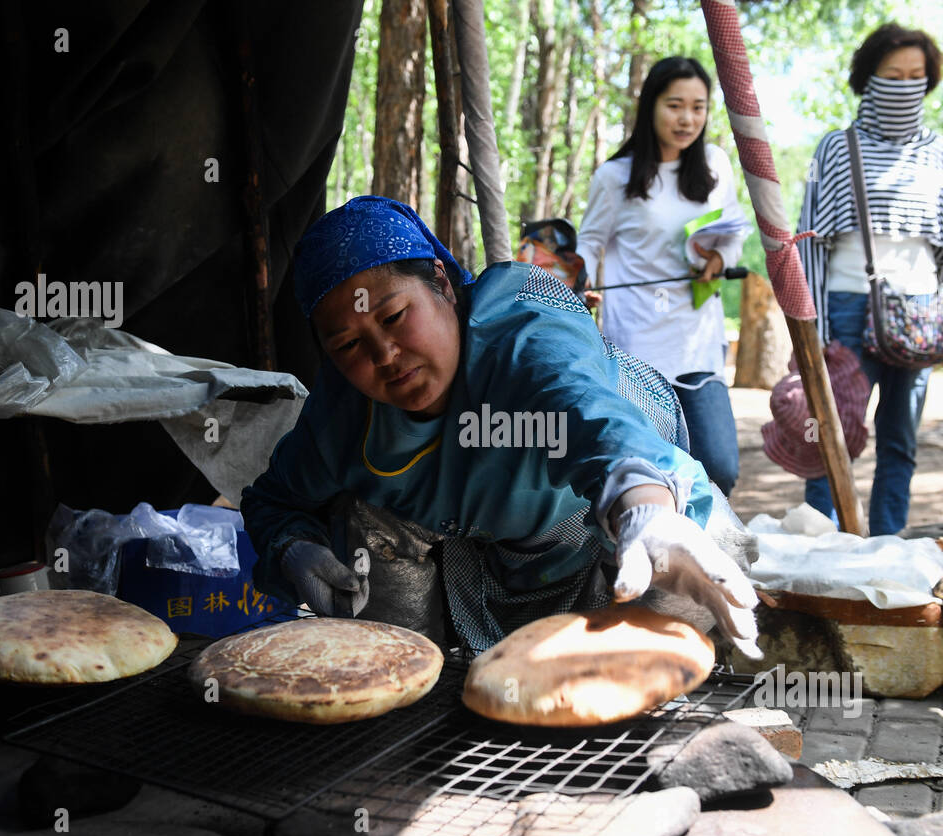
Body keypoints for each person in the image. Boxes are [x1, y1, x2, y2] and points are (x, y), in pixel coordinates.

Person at [240, 195, 761, 657]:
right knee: (360, 517)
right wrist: (293, 547)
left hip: (595, 518)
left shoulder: (523, 328)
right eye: (349, 345)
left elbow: (589, 414)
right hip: (480, 548)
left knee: (702, 541)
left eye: (395, 315)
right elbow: (273, 499)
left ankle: (652, 694)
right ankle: (412, 690)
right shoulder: (343, 415)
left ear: (442, 283)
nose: (385, 354)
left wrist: (645, 509)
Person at [796, 22, 943, 536]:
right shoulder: (836, 147)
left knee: (900, 439)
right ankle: (822, 549)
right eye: (893, 75)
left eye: (917, 76)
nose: (905, 85)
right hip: (848, 304)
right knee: (834, 434)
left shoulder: (936, 150)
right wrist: (815, 327)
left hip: (919, 311)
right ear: (869, 79)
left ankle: (888, 543)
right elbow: (812, 239)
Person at [576, 56, 752, 500]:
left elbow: (733, 232)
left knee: (719, 466)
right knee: (653, 475)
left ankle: (706, 559)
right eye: (675, 105)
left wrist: (716, 259)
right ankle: (659, 562)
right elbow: (589, 244)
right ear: (651, 105)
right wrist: (573, 288)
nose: (687, 118)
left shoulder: (714, 165)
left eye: (698, 107)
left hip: (698, 341)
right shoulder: (614, 177)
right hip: (636, 348)